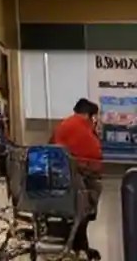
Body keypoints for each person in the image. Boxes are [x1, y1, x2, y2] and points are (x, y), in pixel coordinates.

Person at [51, 98, 103, 259]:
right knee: (91, 193)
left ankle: (81, 243)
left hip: (62, 176)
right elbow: (93, 158)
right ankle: (79, 243)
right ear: (89, 115)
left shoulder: (65, 124)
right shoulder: (81, 128)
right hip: (76, 178)